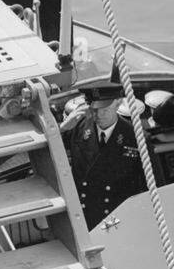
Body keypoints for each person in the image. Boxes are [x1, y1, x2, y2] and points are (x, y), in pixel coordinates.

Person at [59, 79, 146, 228]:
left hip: (118, 219)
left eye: (105, 109)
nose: (98, 115)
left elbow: (151, 186)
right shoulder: (77, 127)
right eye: (94, 109)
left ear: (118, 103)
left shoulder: (136, 137)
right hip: (83, 217)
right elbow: (49, 154)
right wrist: (63, 127)